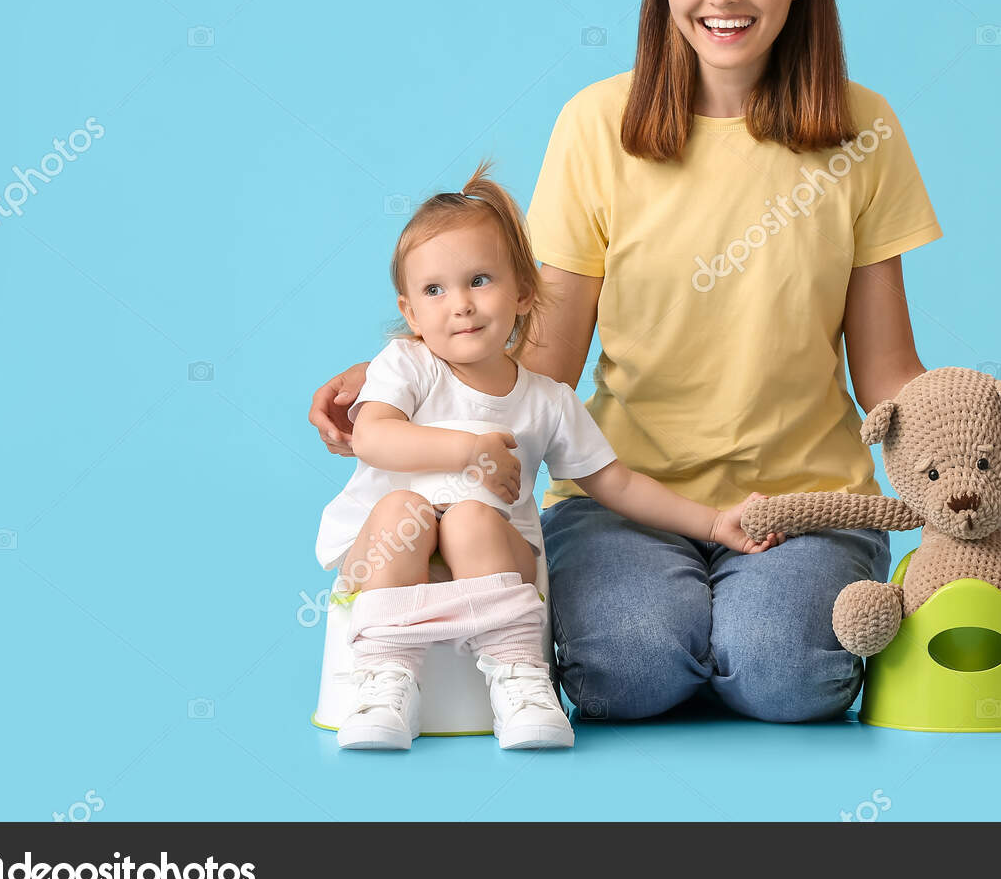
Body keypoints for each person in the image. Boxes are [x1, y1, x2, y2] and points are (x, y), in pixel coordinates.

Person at [311, 0, 1001, 725]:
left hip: (806, 502)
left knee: (787, 678)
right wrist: (412, 374)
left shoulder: (865, 130)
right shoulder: (596, 125)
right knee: (625, 675)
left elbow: (888, 376)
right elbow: (546, 358)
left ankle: (734, 632)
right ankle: (680, 629)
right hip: (623, 498)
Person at [319, 160, 776, 751]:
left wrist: (714, 523)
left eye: (479, 280)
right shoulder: (405, 365)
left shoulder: (546, 400)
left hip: (490, 549)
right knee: (404, 511)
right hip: (382, 550)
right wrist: (469, 450)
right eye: (434, 290)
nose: (458, 304)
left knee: (470, 518)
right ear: (410, 312)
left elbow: (617, 484)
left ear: (524, 292)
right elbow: (375, 437)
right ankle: (385, 680)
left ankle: (518, 678)